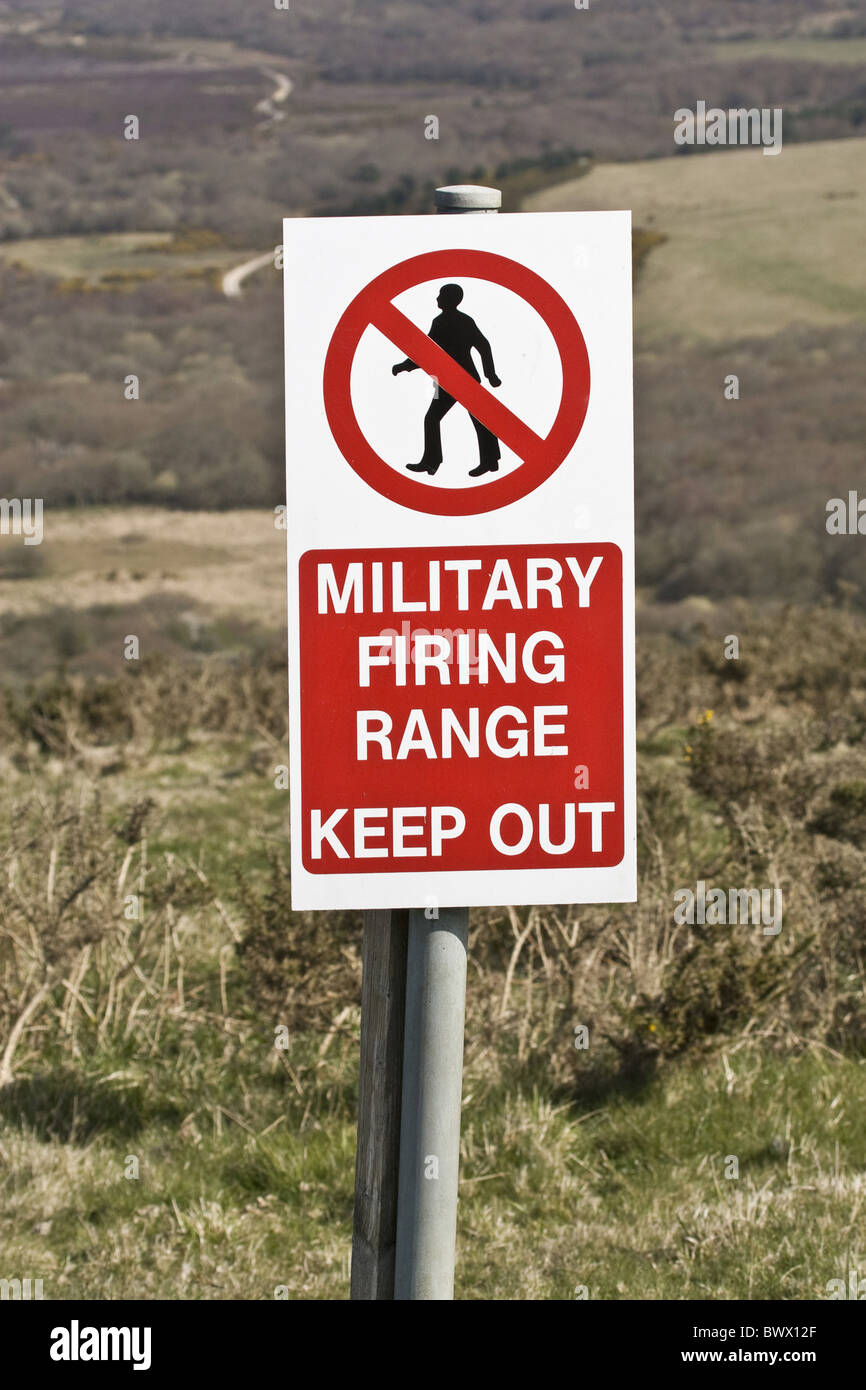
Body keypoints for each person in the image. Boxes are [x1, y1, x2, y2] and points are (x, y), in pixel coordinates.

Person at [391, 283, 502, 477]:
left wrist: (490, 374)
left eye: (441, 295)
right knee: (436, 418)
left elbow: (483, 345)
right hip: (444, 381)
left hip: (464, 379)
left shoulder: (458, 321)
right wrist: (404, 366)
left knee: (479, 420)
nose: (437, 298)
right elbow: (425, 351)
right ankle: (432, 462)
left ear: (450, 298)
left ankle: (488, 461)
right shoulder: (440, 322)